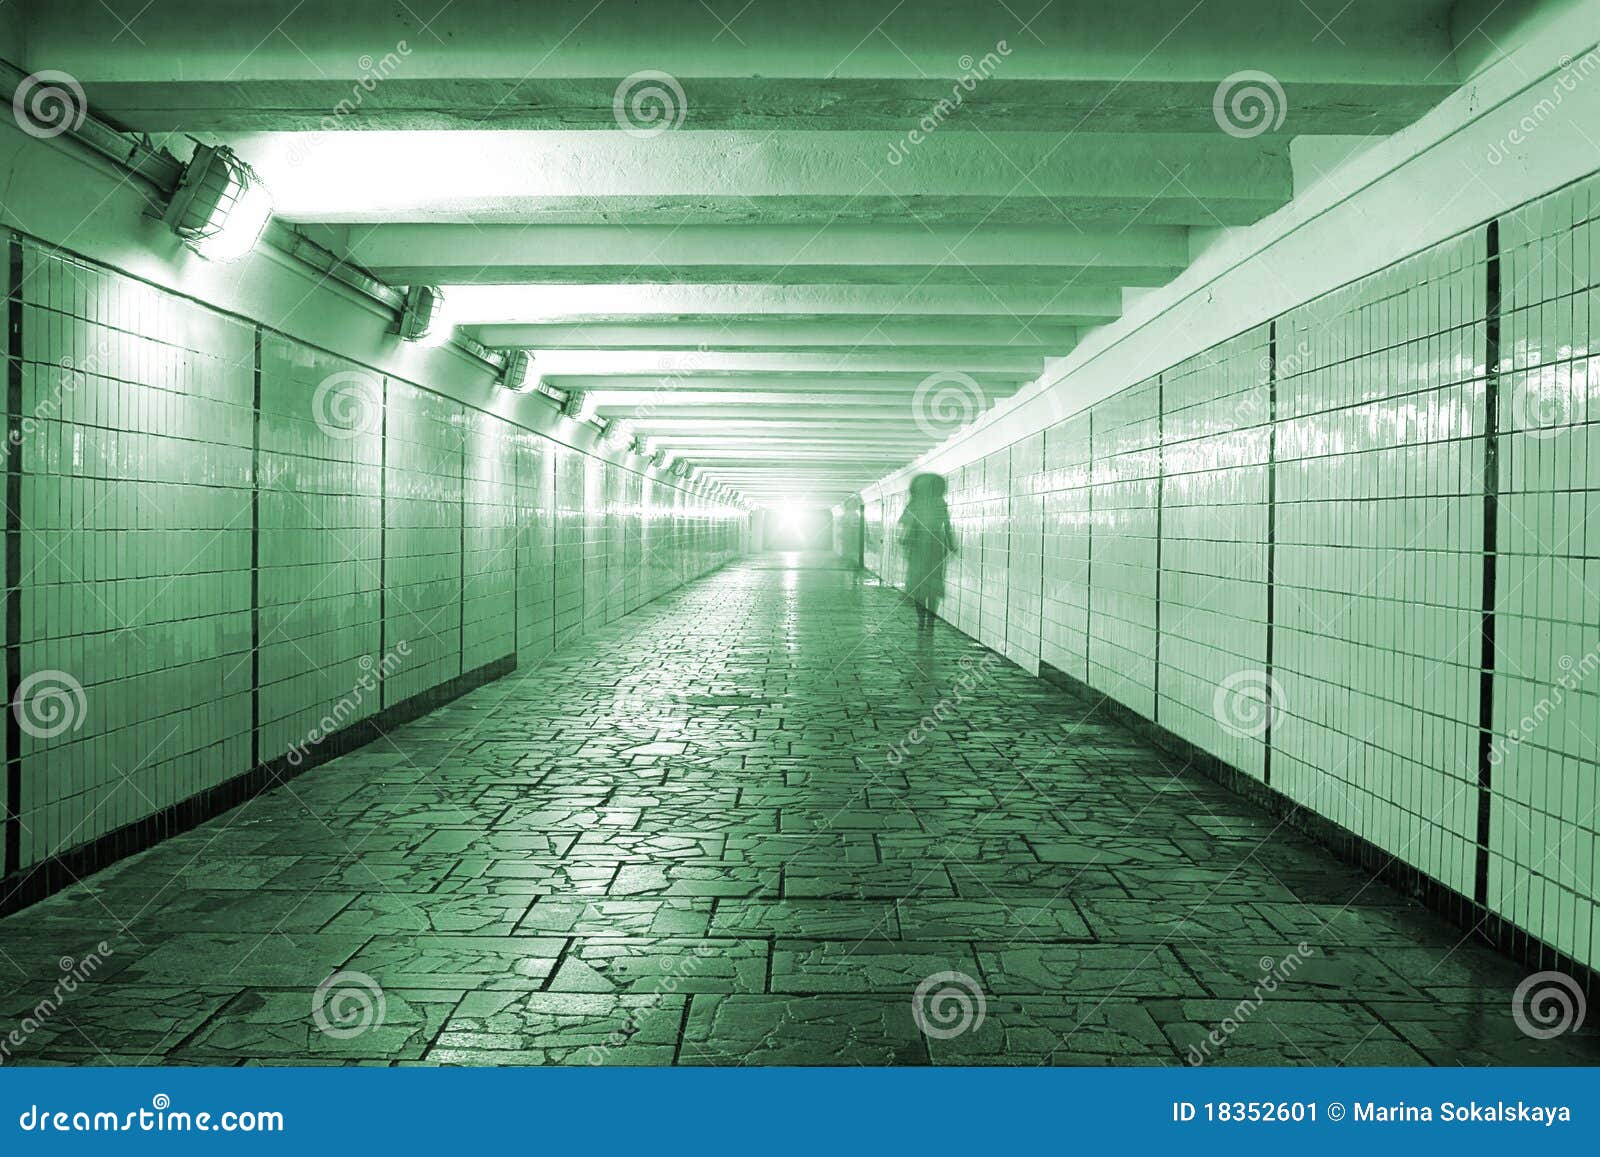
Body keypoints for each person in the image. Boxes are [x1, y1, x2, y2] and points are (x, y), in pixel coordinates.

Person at [897, 473, 954, 630]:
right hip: (935, 546)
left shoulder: (914, 503)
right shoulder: (939, 502)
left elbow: (903, 523)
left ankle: (923, 620)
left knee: (921, 586)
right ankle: (929, 622)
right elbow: (947, 525)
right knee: (933, 586)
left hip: (918, 547)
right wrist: (951, 543)